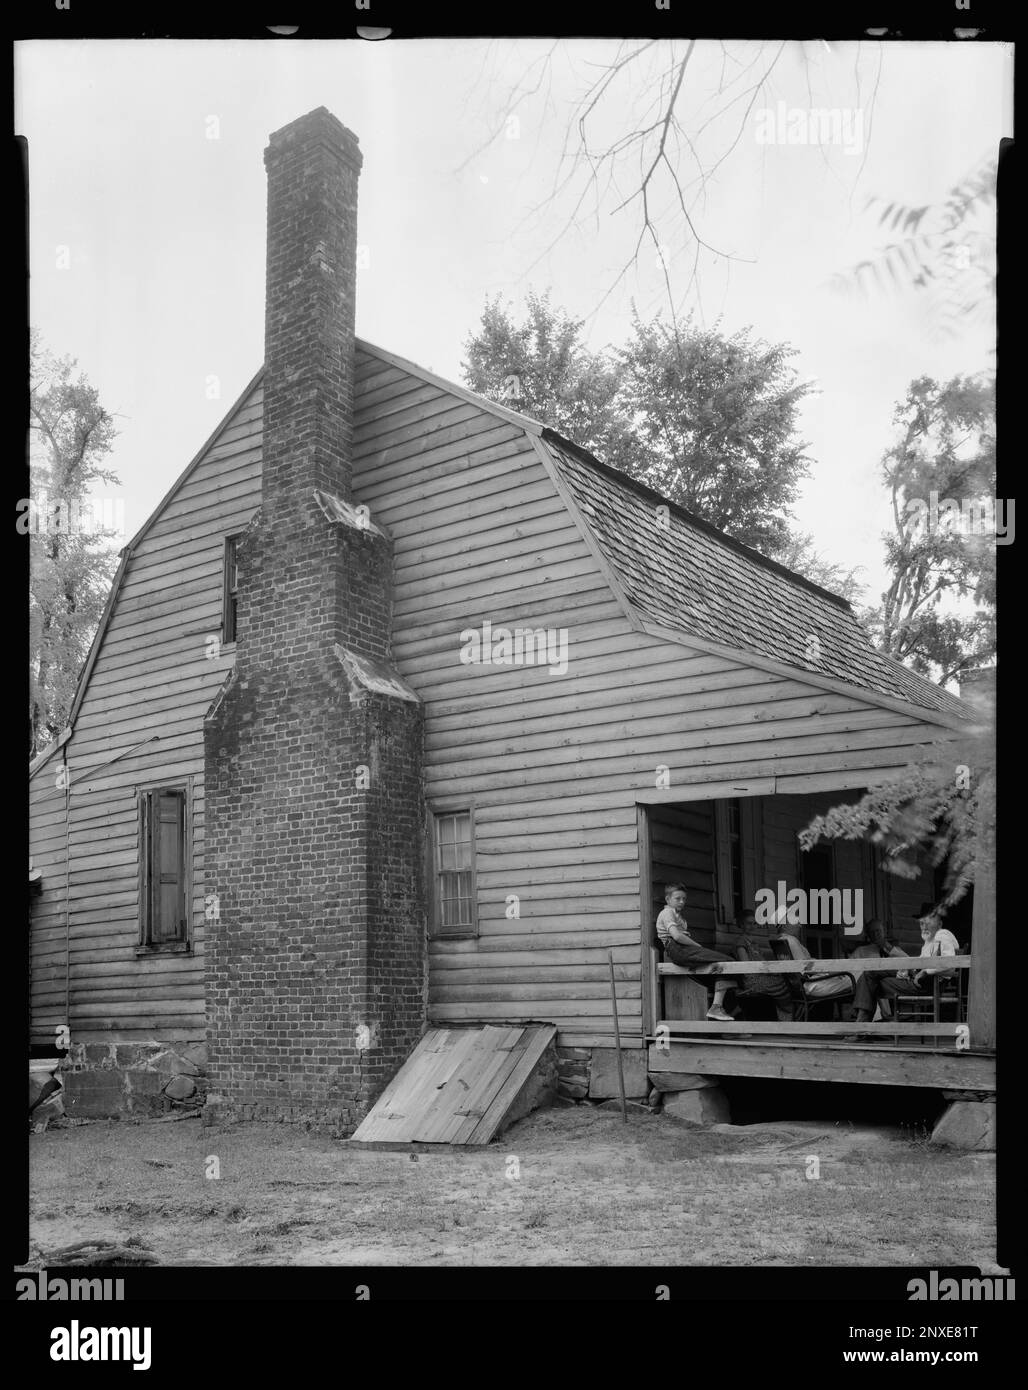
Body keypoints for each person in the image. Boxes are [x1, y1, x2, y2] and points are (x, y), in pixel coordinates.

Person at [853, 903, 960, 1022]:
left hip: (925, 985)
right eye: (921, 923)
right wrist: (909, 970)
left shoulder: (942, 935)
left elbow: (950, 964)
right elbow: (923, 962)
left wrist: (925, 971)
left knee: (869, 979)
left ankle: (861, 1026)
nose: (924, 926)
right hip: (916, 978)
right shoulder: (931, 939)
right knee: (869, 977)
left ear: (939, 923)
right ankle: (862, 1025)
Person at [656, 883, 741, 1022]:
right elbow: (676, 936)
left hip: (681, 949)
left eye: (684, 898)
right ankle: (716, 1007)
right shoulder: (667, 913)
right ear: (667, 899)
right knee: (728, 963)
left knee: (719, 976)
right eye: (678, 898)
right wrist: (698, 947)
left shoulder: (677, 915)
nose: (682, 901)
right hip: (677, 949)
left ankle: (729, 1025)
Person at [770, 914, 854, 1008]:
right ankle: (862, 1016)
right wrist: (831, 971)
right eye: (795, 921)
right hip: (812, 986)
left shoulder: (781, 941)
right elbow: (806, 967)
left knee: (847, 976)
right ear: (785, 925)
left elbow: (806, 964)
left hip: (799, 988)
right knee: (854, 978)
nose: (800, 925)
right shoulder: (791, 941)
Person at [734, 909, 794, 1021]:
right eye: (748, 923)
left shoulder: (754, 943)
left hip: (761, 976)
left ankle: (786, 1015)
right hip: (752, 980)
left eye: (754, 923)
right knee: (786, 983)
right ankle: (787, 1015)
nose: (752, 926)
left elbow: (761, 960)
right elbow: (746, 965)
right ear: (741, 925)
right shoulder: (741, 942)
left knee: (787, 980)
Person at [849, 918, 908, 1022]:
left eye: (878, 931)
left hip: (894, 981)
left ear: (884, 931)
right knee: (869, 981)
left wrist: (887, 947)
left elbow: (908, 962)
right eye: (872, 932)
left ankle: (871, 1020)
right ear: (868, 935)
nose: (876, 934)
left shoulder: (892, 948)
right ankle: (877, 1019)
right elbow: (849, 967)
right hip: (872, 983)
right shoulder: (861, 951)